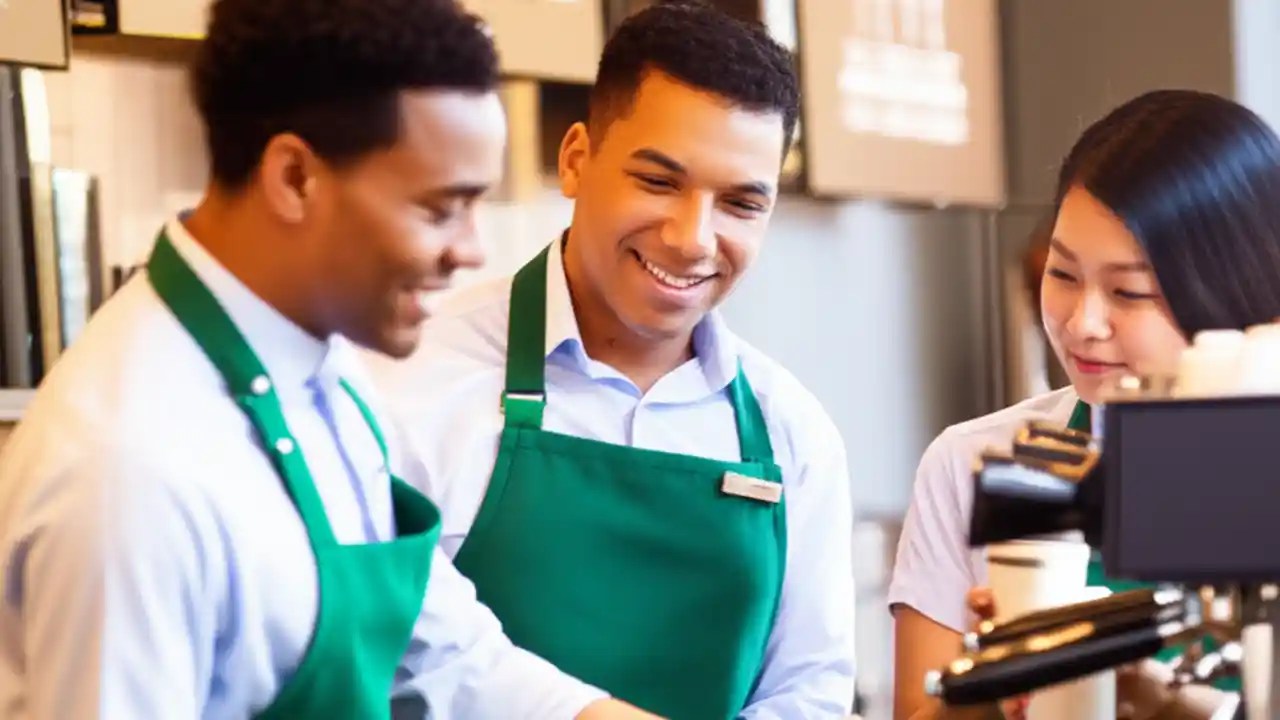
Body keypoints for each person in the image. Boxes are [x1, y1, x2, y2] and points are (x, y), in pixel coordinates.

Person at [0, 0, 659, 717]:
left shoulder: (325, 368)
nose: (471, 250)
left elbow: (447, 657)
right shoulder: (130, 472)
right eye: (441, 208)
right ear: (294, 178)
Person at [366, 2, 857, 718]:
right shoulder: (408, 377)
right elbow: (404, 644)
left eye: (741, 205)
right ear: (576, 160)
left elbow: (808, 693)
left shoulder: (793, 434)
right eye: (658, 182)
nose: (693, 239)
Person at [889, 89, 1280, 720]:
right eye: (1063, 275)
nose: (1082, 323)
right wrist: (994, 684)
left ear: (1237, 289)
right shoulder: (977, 464)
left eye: (1129, 292)